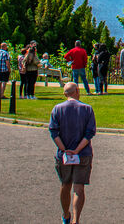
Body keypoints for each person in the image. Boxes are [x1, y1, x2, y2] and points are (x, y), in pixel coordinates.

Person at [49, 82, 96, 224]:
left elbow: (53, 132)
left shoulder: (57, 109)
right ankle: (76, 219)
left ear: (65, 94)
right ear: (77, 90)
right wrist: (77, 150)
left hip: (64, 154)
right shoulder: (87, 109)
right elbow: (89, 133)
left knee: (65, 184)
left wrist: (64, 149)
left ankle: (66, 214)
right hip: (83, 154)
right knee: (79, 187)